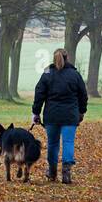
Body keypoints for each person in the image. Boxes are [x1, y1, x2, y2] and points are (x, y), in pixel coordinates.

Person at [31, 48, 88, 183]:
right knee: (68, 142)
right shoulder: (74, 74)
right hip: (70, 115)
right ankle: (66, 172)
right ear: (67, 58)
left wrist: (36, 112)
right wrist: (82, 111)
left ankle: (52, 172)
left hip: (52, 115)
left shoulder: (47, 73)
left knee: (53, 143)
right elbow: (83, 95)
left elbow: (39, 94)